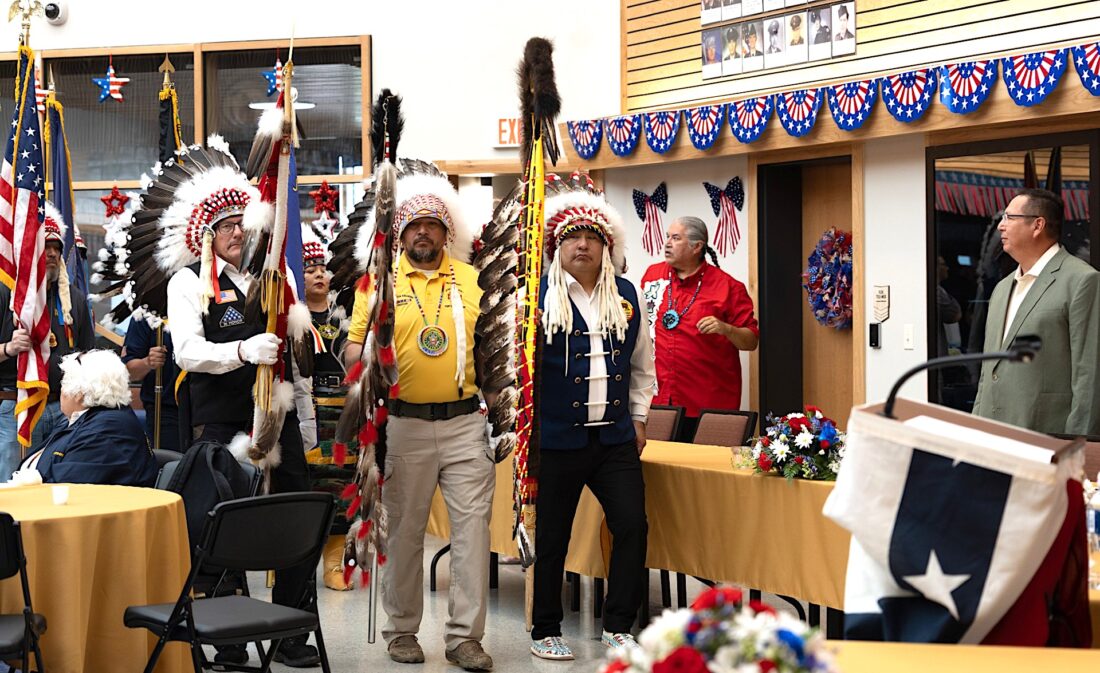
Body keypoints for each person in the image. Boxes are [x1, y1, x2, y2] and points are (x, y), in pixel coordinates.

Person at [157, 141, 320, 669]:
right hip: (221, 419)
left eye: (241, 225)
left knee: (293, 515)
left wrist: (307, 420)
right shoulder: (189, 282)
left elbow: (297, 359)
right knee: (223, 522)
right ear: (207, 234)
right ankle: (229, 638)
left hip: (279, 416)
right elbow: (186, 352)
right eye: (225, 226)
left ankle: (290, 631)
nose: (235, 233)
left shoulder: (275, 279)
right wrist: (242, 351)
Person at [344, 162, 494, 671]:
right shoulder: (377, 283)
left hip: (466, 422)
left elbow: (495, 349)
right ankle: (402, 630)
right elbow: (351, 349)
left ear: (447, 232)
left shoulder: (474, 281)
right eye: (414, 225)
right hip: (403, 424)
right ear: (400, 234)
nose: (423, 232)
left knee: (472, 533)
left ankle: (465, 638)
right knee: (405, 532)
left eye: (432, 224)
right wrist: (367, 360)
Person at [529, 173, 656, 661]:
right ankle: (545, 629)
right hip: (556, 439)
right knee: (553, 537)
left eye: (591, 237)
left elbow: (643, 365)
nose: (582, 244)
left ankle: (618, 624)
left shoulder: (626, 294)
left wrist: (639, 419)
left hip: (616, 440)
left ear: (606, 246)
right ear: (556, 247)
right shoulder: (536, 297)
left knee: (632, 526)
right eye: (572, 237)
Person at [973, 188, 1100, 435]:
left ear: (1037, 225)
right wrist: (976, 428)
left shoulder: (1081, 280)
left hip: (1046, 437)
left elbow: (1090, 373)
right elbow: (989, 373)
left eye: (1010, 217)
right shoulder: (1002, 288)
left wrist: (1078, 443)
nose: (1001, 226)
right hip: (992, 436)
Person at [641, 217, 759, 442]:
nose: (667, 243)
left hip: (707, 400)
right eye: (667, 237)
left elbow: (751, 341)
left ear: (697, 246)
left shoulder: (728, 286)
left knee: (701, 462)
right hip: (658, 398)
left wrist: (727, 329)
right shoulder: (653, 276)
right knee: (656, 461)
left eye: (676, 238)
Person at [0, 204, 94, 481]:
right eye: (45, 247)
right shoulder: (5, 293)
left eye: (56, 248)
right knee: (10, 489)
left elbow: (89, 355)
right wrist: (8, 348)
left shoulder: (73, 298)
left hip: (64, 408)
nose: (52, 253)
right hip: (15, 408)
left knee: (58, 483)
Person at [301, 225, 356, 592]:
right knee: (311, 485)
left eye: (323, 269)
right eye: (310, 270)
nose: (319, 275)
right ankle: (302, 561)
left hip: (346, 408)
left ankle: (334, 564)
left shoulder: (345, 312)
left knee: (343, 485)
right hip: (310, 409)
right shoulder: (293, 317)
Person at [35, 350, 157, 487]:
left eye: (63, 384)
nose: (61, 391)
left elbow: (64, 487)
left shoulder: (104, 431)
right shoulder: (80, 417)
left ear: (79, 394)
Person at [121, 320, 181, 451]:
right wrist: (147, 362)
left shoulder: (208, 307)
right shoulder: (147, 314)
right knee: (170, 461)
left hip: (209, 406)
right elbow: (129, 372)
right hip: (165, 409)